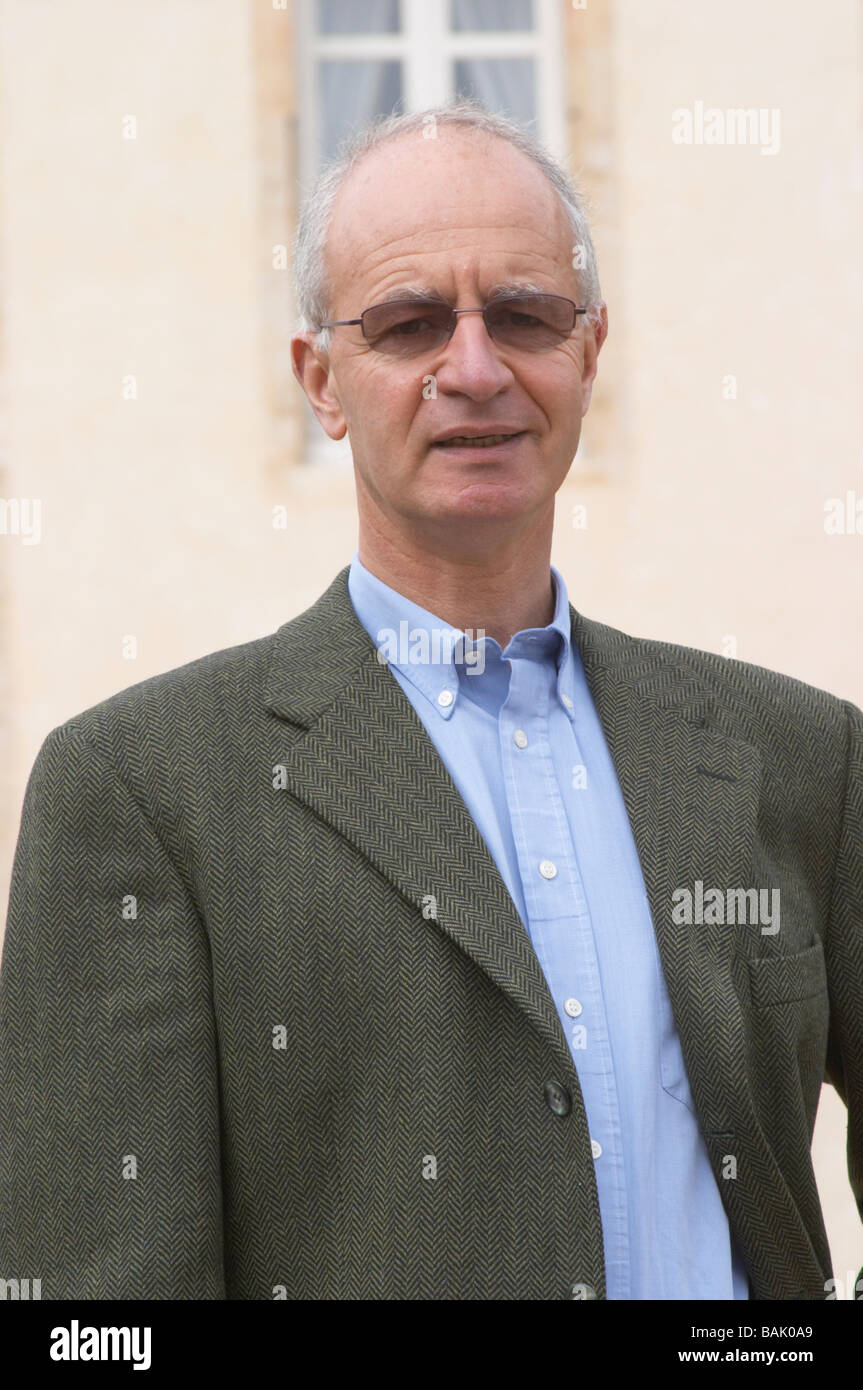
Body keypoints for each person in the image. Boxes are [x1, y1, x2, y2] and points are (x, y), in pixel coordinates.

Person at [1, 101, 860, 1300]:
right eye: (408, 325)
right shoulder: (142, 792)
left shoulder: (803, 757)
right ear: (322, 380)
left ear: (588, 353)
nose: (474, 368)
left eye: (524, 316)